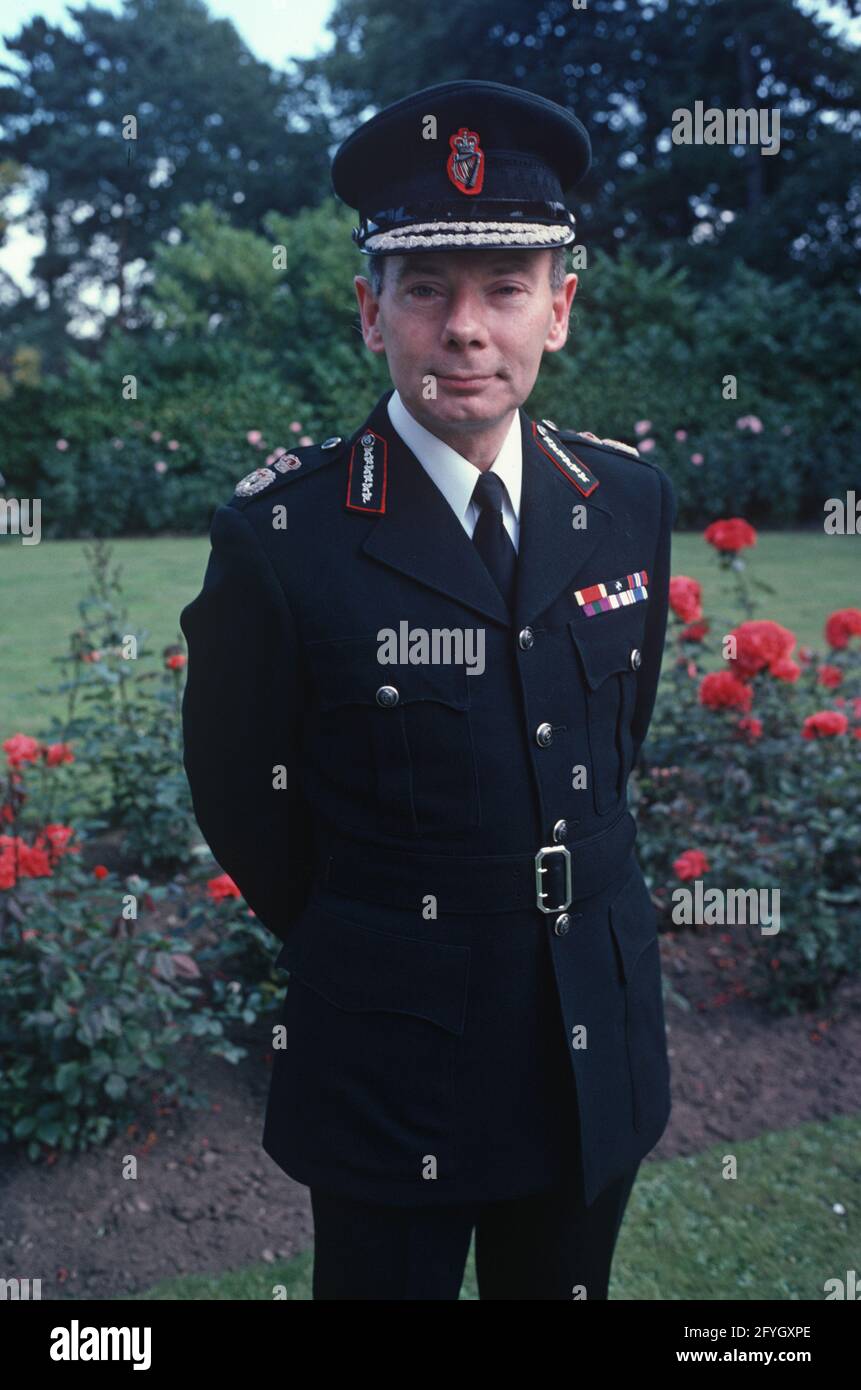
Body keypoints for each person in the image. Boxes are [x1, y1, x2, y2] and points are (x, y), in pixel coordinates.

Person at [179, 79, 676, 1300]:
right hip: (394, 1051)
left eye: (505, 289)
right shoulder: (286, 538)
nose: (466, 328)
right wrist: (383, 929)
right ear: (370, 311)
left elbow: (612, 754)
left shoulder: (626, 506)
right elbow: (246, 800)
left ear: (559, 310)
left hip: (586, 1034)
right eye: (427, 288)